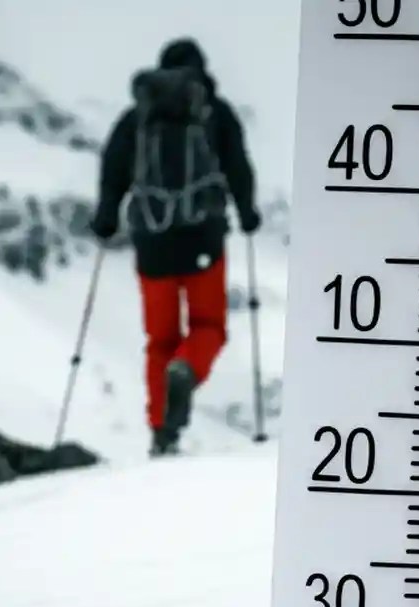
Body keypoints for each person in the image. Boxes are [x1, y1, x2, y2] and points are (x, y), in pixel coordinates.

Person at [89, 38, 261, 457]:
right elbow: (237, 165)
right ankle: (186, 369)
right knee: (208, 327)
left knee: (160, 340)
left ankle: (161, 431)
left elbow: (114, 169)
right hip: (203, 240)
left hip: (152, 245)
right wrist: (247, 211)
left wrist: (107, 215)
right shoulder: (215, 113)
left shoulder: (138, 117)